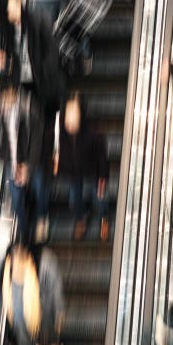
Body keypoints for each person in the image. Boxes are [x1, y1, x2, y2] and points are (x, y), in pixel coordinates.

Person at [0, 70, 51, 243]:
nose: (5, 104)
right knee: (16, 198)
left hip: (31, 157)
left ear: (15, 92)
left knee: (39, 186)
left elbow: (37, 139)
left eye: (9, 98)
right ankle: (23, 232)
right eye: (3, 99)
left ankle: (43, 217)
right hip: (10, 160)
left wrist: (27, 165)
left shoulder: (29, 107)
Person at [0, 0, 66, 111]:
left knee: (49, 105)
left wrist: (44, 70)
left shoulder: (36, 19)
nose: (12, 11)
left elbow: (52, 48)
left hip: (42, 77)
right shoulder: (5, 25)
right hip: (21, 81)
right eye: (10, 9)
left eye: (14, 5)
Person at [53, 92, 110, 241]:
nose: (70, 120)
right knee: (74, 198)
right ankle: (81, 219)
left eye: (74, 114)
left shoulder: (92, 130)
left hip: (92, 170)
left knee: (99, 197)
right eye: (68, 114)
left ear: (81, 114)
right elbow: (57, 148)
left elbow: (102, 154)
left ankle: (104, 218)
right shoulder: (60, 127)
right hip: (73, 171)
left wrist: (102, 176)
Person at [1, 241, 64, 345]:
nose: (19, 253)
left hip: (44, 330)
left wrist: (58, 329)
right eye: (16, 251)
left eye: (21, 251)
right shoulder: (4, 270)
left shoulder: (43, 263)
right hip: (22, 336)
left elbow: (57, 295)